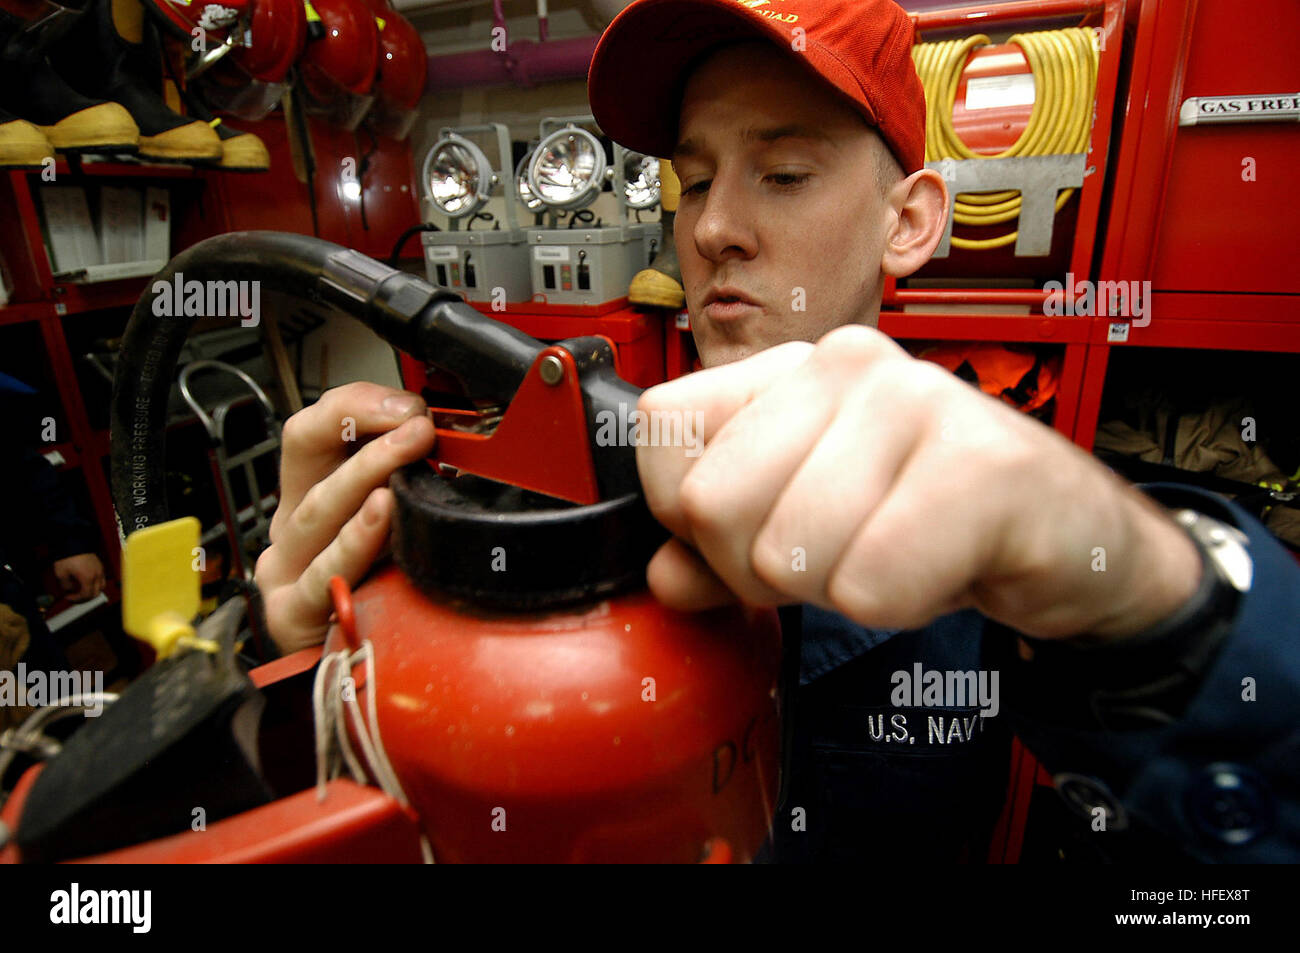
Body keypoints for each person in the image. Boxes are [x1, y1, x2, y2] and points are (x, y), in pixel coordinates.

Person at [254, 0, 1300, 861]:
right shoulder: (542, 507)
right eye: (694, 180)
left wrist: (1163, 600)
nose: (712, 227)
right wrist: (317, 683)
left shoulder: (984, 546)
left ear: (911, 222)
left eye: (784, 173)